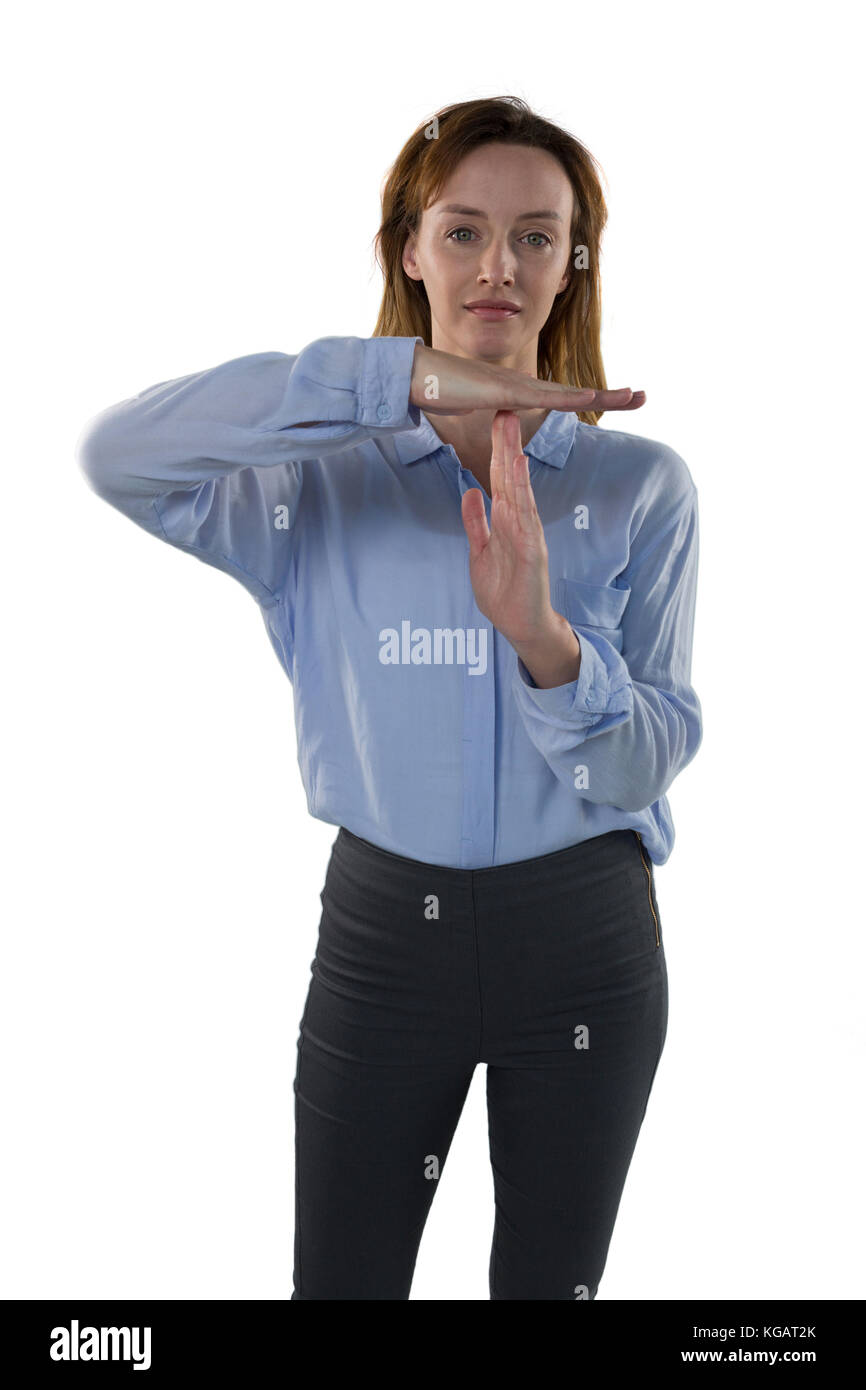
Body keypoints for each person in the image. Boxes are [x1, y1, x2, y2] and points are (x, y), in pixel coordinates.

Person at [75, 95, 702, 1300]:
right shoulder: (315, 480)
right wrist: (394, 383)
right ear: (405, 252)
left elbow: (646, 759)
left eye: (535, 236)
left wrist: (545, 642)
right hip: (383, 939)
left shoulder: (640, 486)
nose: (498, 267)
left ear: (572, 267)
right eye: (460, 231)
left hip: (585, 942)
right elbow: (118, 455)